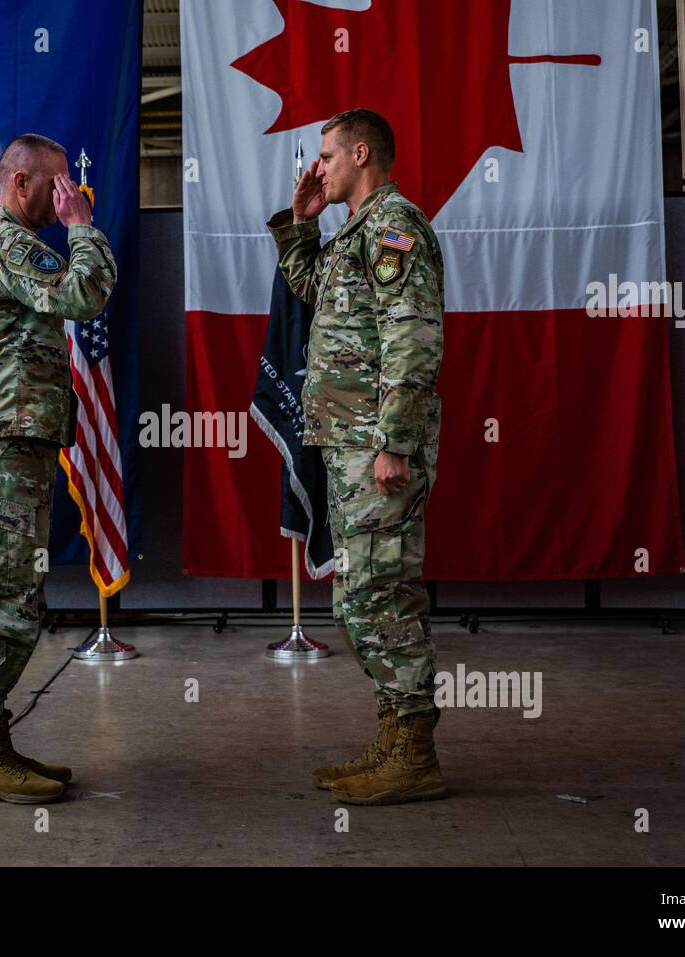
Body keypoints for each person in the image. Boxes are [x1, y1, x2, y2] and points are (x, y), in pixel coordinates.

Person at [267, 108, 447, 805]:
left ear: (361, 152)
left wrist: (395, 442)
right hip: (348, 445)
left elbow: (413, 337)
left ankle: (415, 753)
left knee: (382, 595)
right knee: (360, 597)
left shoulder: (398, 227)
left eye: (326, 158)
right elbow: (312, 292)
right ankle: (393, 738)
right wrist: (301, 218)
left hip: (377, 446)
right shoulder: (354, 233)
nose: (318, 168)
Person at [0, 133, 115, 804]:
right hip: (1, 443)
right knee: (2, 599)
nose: (65, 196)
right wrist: (84, 230)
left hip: (16, 442)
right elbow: (82, 294)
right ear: (21, 184)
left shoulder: (11, 244)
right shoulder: (6, 245)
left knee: (11, 594)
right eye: (56, 186)